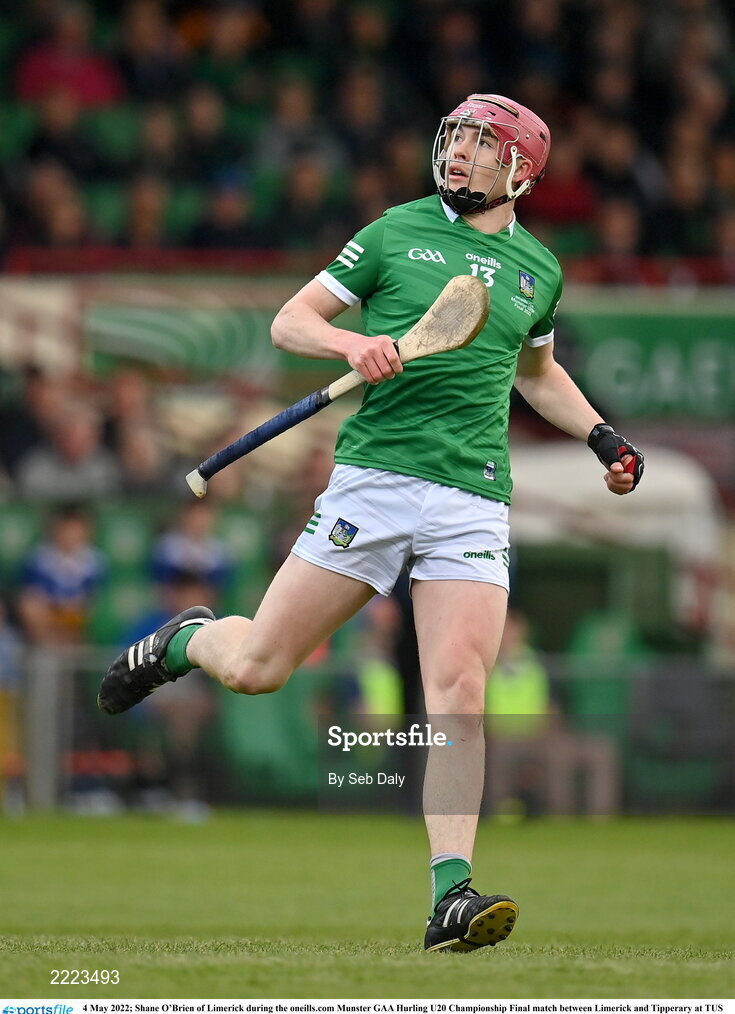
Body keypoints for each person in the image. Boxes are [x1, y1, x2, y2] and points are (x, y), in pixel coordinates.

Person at [98, 93, 644, 952]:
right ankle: (188, 641)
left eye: (480, 145)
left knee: (461, 694)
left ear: (521, 171)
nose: (459, 154)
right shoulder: (392, 233)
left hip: (470, 496)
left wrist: (600, 435)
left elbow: (535, 373)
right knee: (256, 668)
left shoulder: (540, 268)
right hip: (373, 486)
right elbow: (291, 320)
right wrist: (353, 346)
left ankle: (450, 897)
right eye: (455, 138)